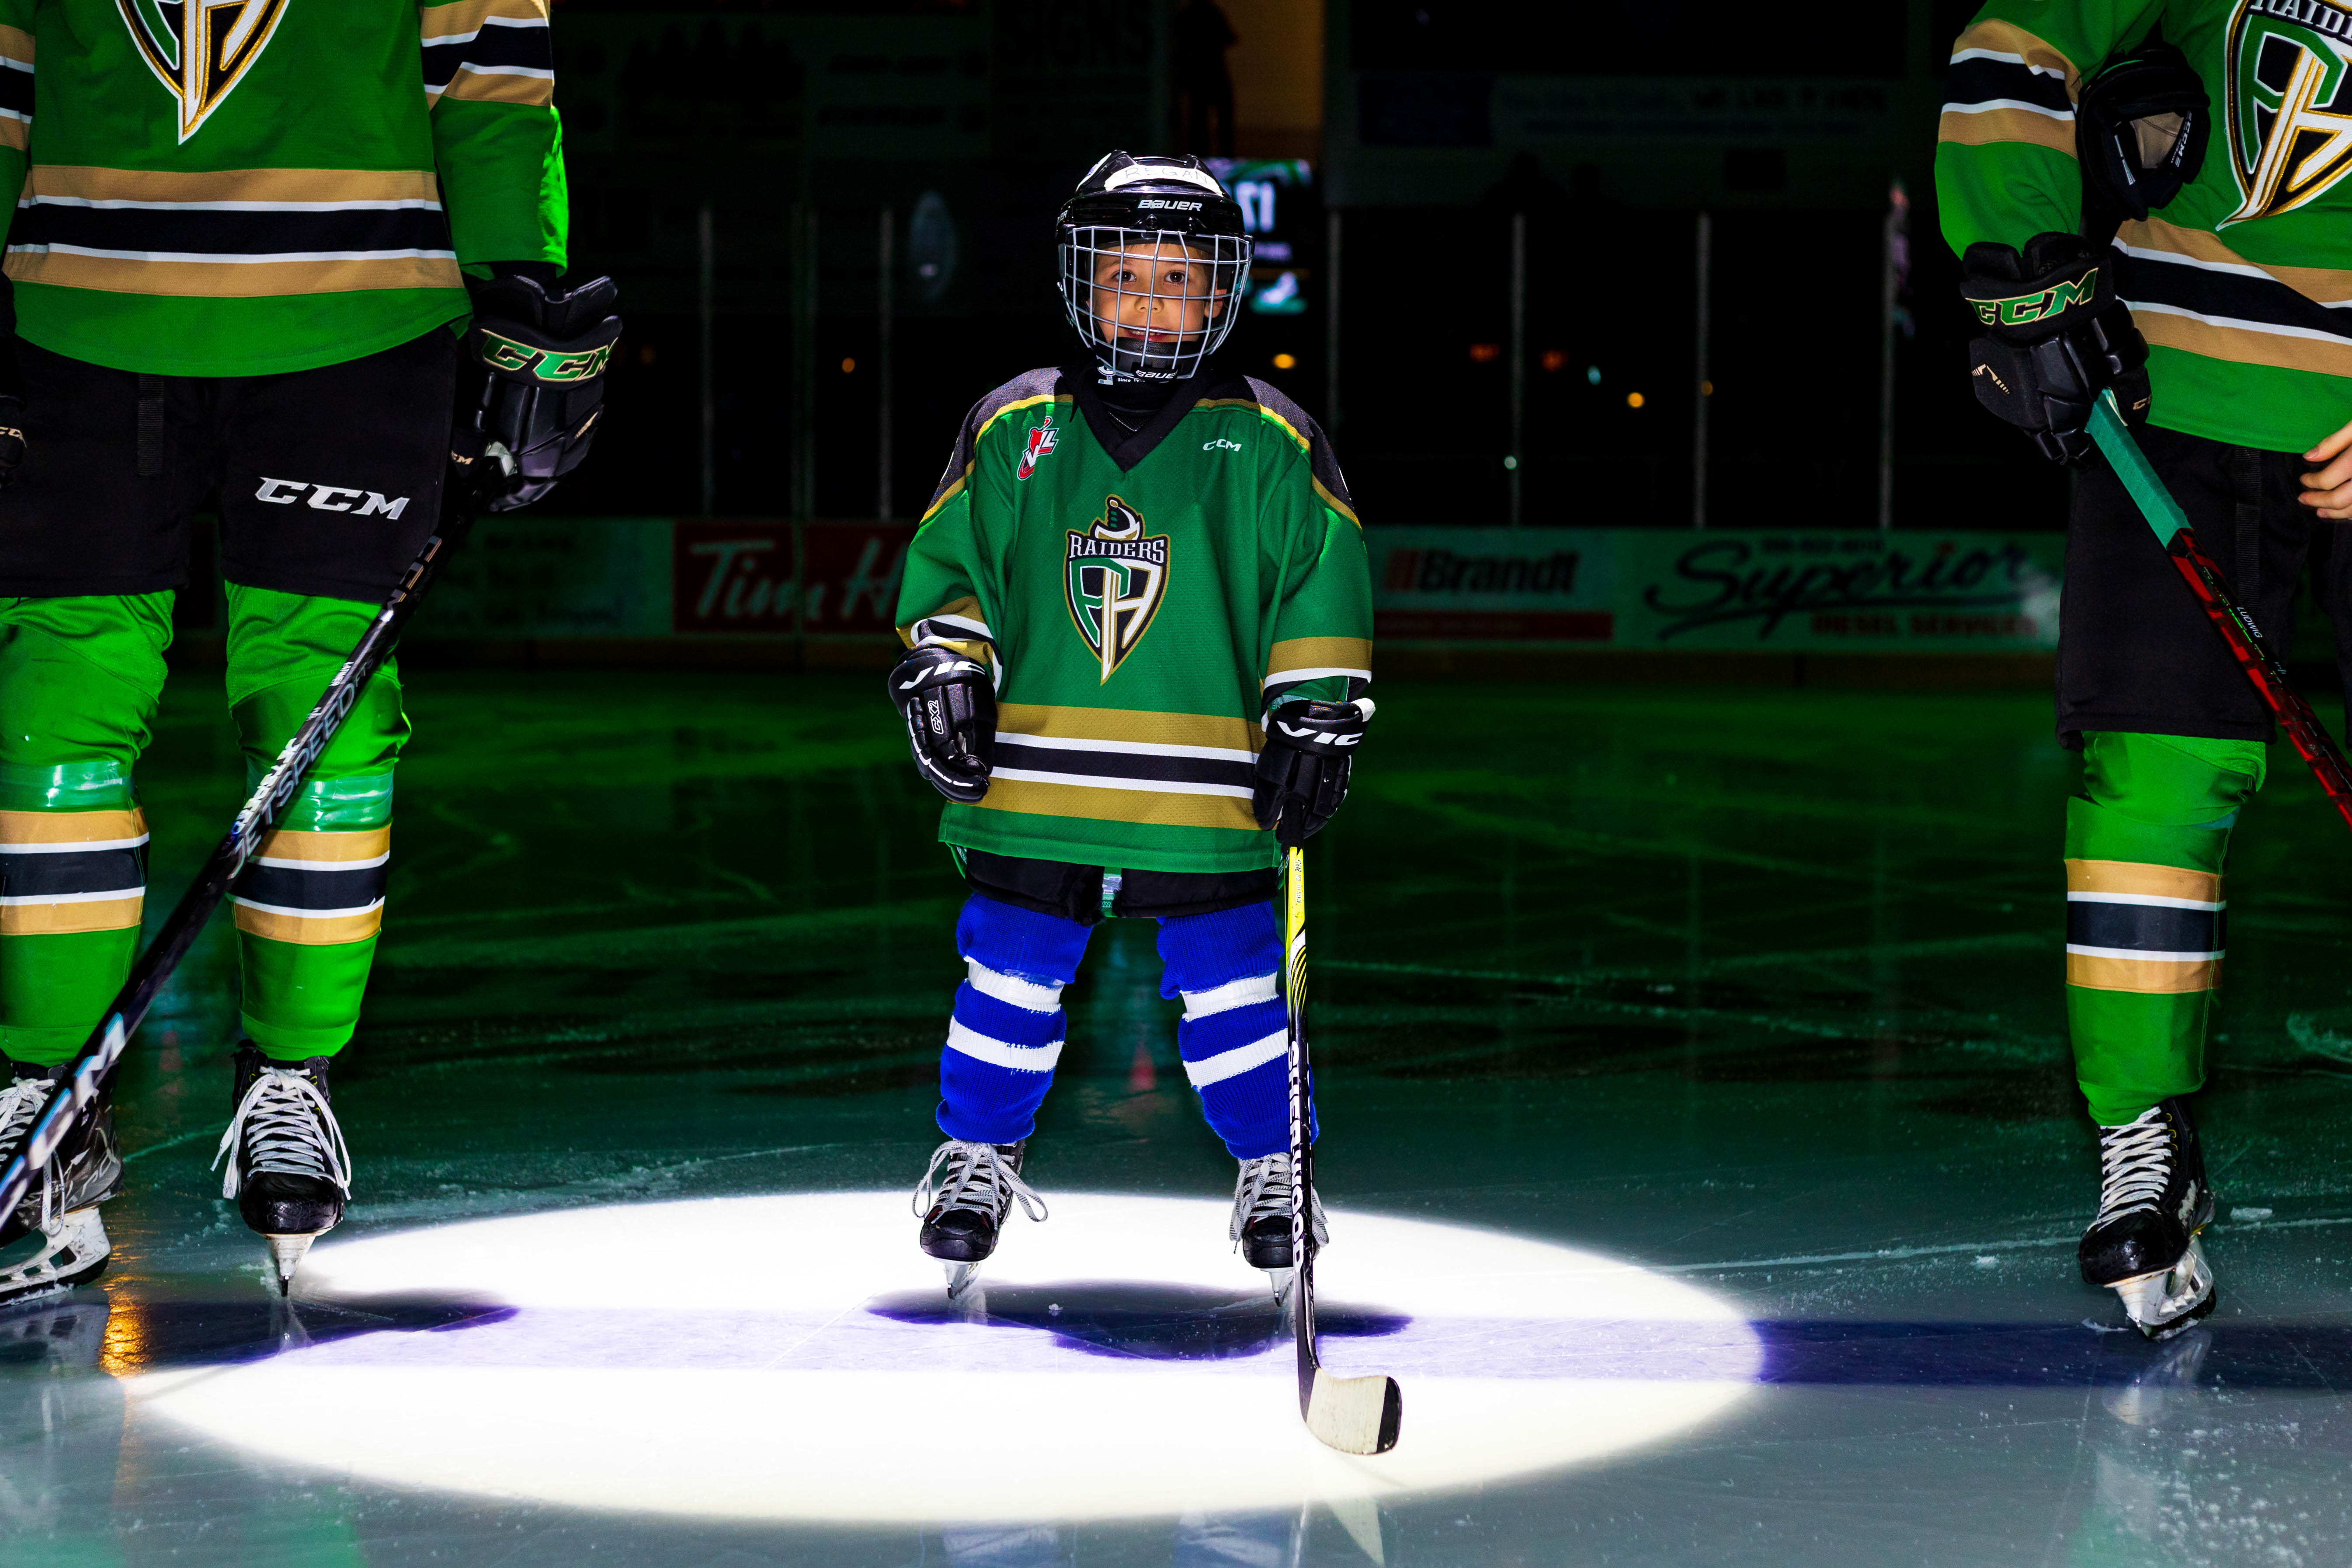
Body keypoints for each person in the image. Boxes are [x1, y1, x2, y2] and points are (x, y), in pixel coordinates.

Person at [0, 0, 615, 1300]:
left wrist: (519, 277)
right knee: (49, 713)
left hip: (356, 329)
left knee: (320, 724)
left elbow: (490, 73)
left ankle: (291, 1073)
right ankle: (44, 1099)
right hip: (76, 323)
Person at [887, 152, 1373, 1297]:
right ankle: (977, 1151)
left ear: (1218, 295)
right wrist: (946, 661)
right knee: (1005, 973)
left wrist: (1315, 709)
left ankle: (1274, 1163)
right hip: (1034, 781)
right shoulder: (1017, 426)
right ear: (1081, 284)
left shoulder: (1269, 440)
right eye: (1125, 276)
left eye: (1175, 278)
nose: (1148, 301)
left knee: (1236, 988)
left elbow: (1322, 581)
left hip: (1208, 794)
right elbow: (953, 569)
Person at [1939, 6, 2352, 1337]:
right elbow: (2019, 41)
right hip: (2175, 400)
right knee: (2149, 804)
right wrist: (2019, 262)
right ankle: (2141, 1129)